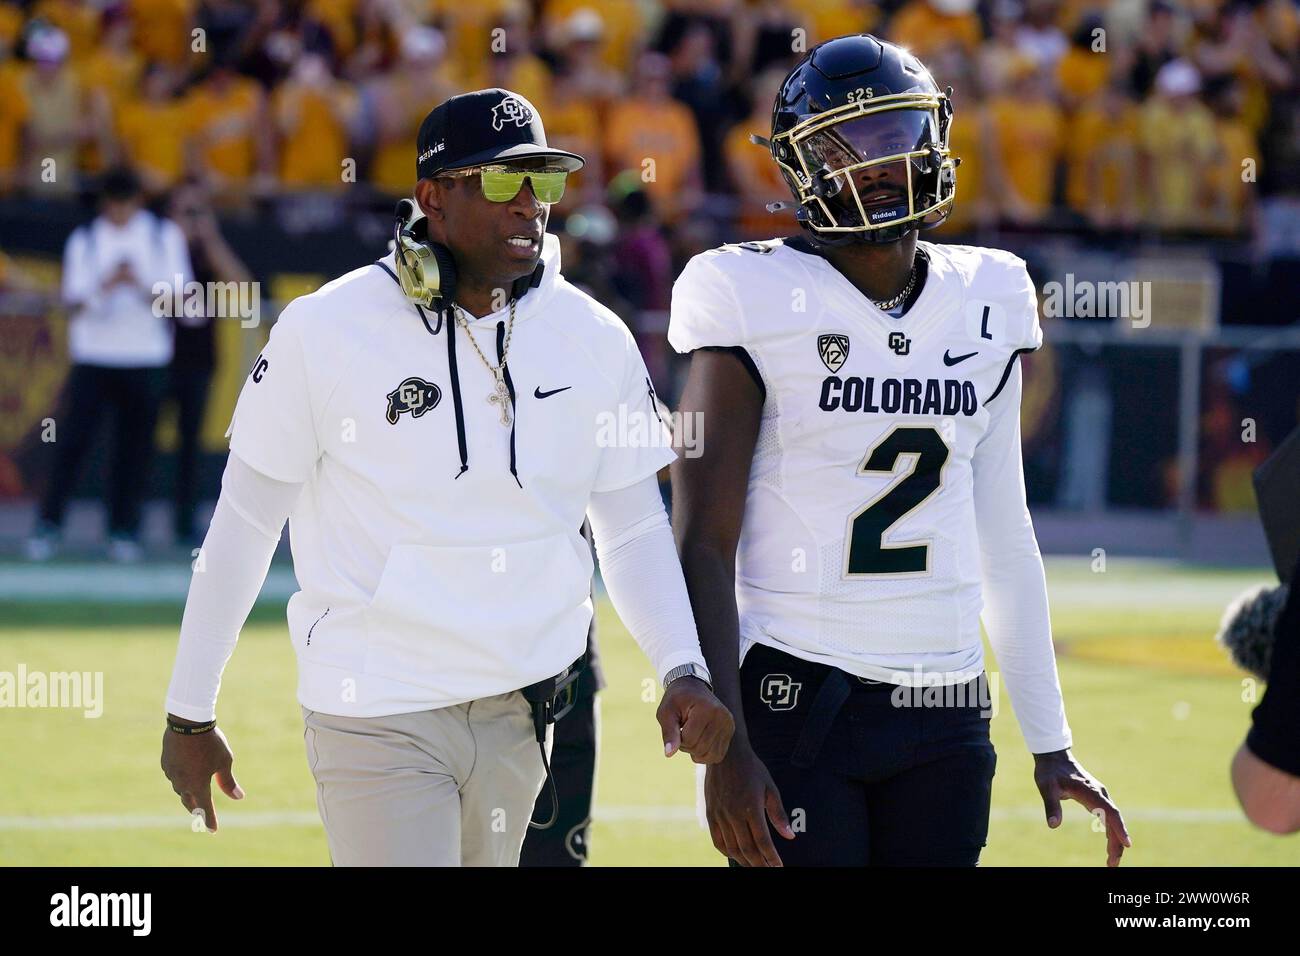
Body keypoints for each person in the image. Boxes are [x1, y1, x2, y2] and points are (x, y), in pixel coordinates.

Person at [161, 88, 733, 867]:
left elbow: (630, 526)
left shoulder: (595, 336)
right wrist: (189, 713)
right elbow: (244, 526)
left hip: (525, 707)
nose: (531, 205)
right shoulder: (325, 329)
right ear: (432, 196)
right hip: (377, 704)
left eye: (545, 182)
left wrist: (682, 667)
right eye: (503, 183)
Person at [668, 35, 1130, 867]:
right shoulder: (747, 291)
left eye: (897, 137)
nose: (879, 165)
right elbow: (703, 538)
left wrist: (1050, 739)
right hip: (798, 691)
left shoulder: (990, 292)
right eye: (847, 148)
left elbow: (1004, 530)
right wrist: (726, 747)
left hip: (947, 705)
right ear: (800, 169)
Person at [27, 165, 192, 562]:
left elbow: (182, 300)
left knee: (134, 449)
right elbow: (72, 302)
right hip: (94, 357)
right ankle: (48, 526)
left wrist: (138, 285)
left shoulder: (161, 236)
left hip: (144, 357)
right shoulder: (85, 239)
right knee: (72, 444)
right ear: (104, 203)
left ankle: (123, 531)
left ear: (137, 201)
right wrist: (107, 283)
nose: (119, 211)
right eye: (113, 203)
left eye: (126, 202)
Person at [164, 178, 254, 547]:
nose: (193, 220)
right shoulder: (158, 247)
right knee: (137, 439)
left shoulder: (207, 253)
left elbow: (242, 286)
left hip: (198, 358)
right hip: (156, 357)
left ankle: (184, 523)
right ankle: (126, 524)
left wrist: (209, 236)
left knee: (190, 442)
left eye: (199, 212)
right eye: (187, 212)